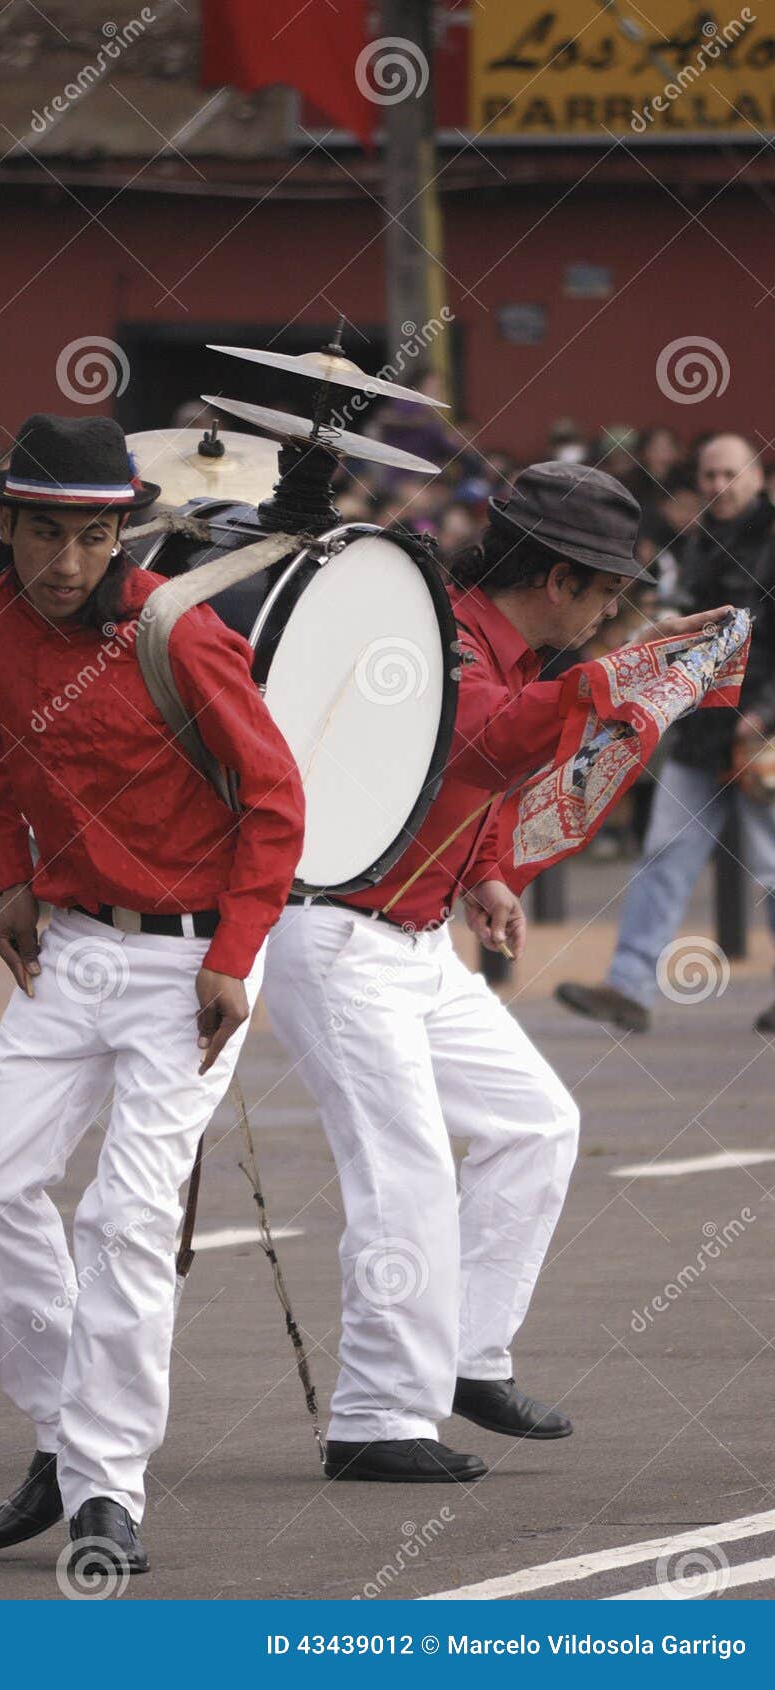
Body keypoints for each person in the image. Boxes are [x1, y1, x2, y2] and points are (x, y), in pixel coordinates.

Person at [261, 463, 728, 1485]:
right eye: (605, 591)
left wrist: (480, 875)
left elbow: (453, 777)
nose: (609, 611)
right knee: (405, 1175)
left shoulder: (484, 637)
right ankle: (374, 1416)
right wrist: (613, 677)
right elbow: (481, 741)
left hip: (406, 934)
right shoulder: (450, 640)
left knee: (535, 1124)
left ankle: (465, 1354)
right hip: (338, 938)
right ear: (560, 577)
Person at [0, 414, 304, 1575]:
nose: (64, 564)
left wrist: (236, 953)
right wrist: (10, 881)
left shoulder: (176, 633)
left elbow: (276, 797)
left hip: (194, 964)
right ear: (6, 526)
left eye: (90, 538)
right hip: (74, 946)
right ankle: (59, 1430)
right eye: (43, 534)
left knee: (126, 1221)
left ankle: (107, 1489)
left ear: (120, 532)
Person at [557, 434, 775, 1034]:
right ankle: (628, 987)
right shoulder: (704, 541)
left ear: (758, 477)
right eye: (708, 474)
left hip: (761, 731)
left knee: (773, 866)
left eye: (730, 472)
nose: (718, 485)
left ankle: (628, 985)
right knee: (663, 855)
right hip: (705, 727)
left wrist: (764, 712)